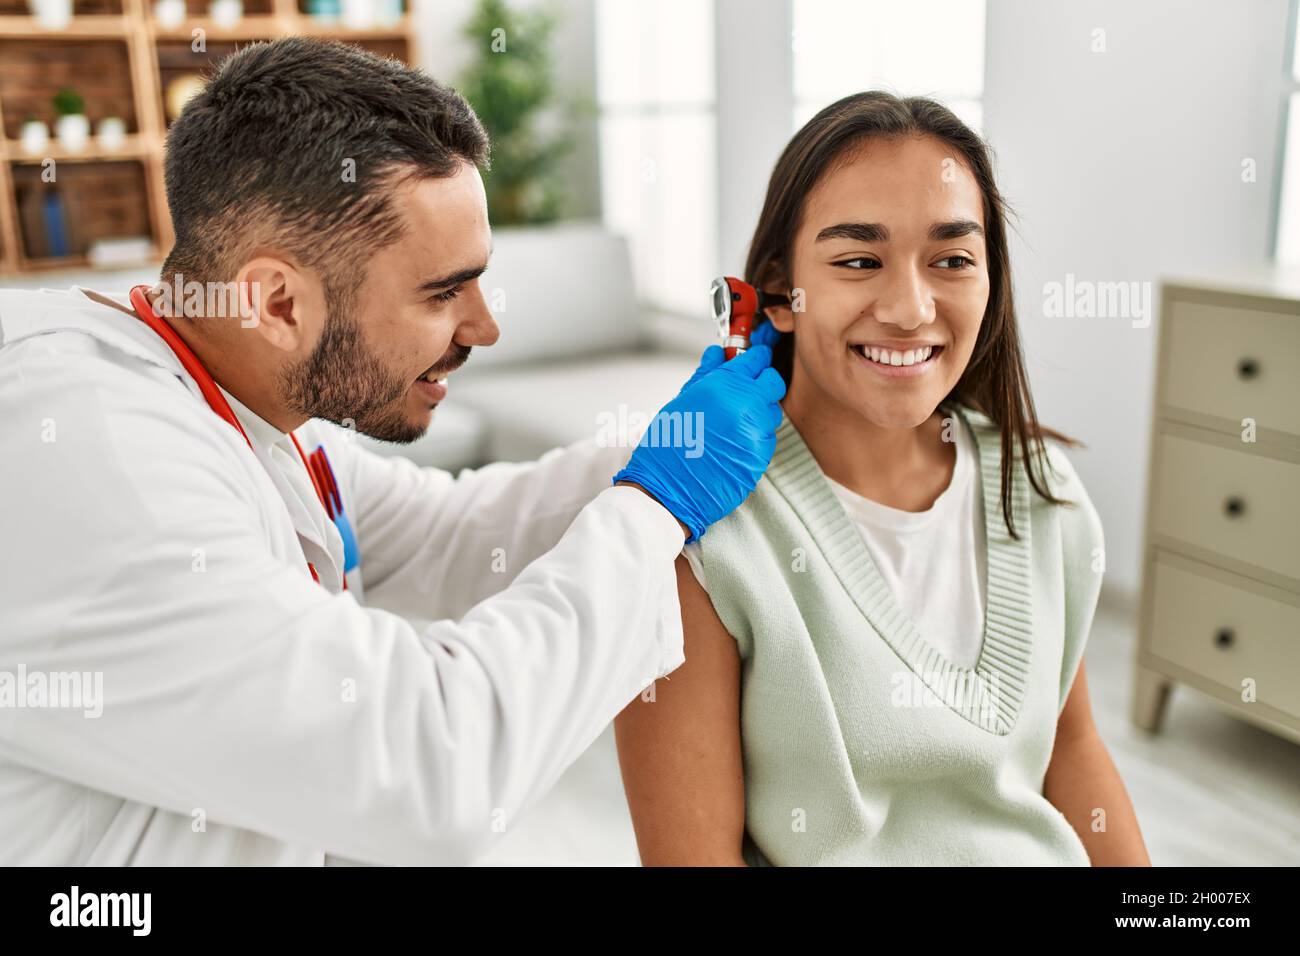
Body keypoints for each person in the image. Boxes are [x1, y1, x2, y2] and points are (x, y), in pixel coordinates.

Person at [0, 38, 785, 865]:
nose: (486, 328)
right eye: (444, 291)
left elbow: (452, 532)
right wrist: (656, 504)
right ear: (276, 302)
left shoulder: (234, 397)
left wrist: (678, 444)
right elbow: (432, 770)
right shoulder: (93, 460)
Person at [614, 92, 1150, 866]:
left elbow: (1072, 752)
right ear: (778, 295)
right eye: (858, 260)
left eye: (953, 259)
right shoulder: (698, 539)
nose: (908, 308)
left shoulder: (1043, 492)